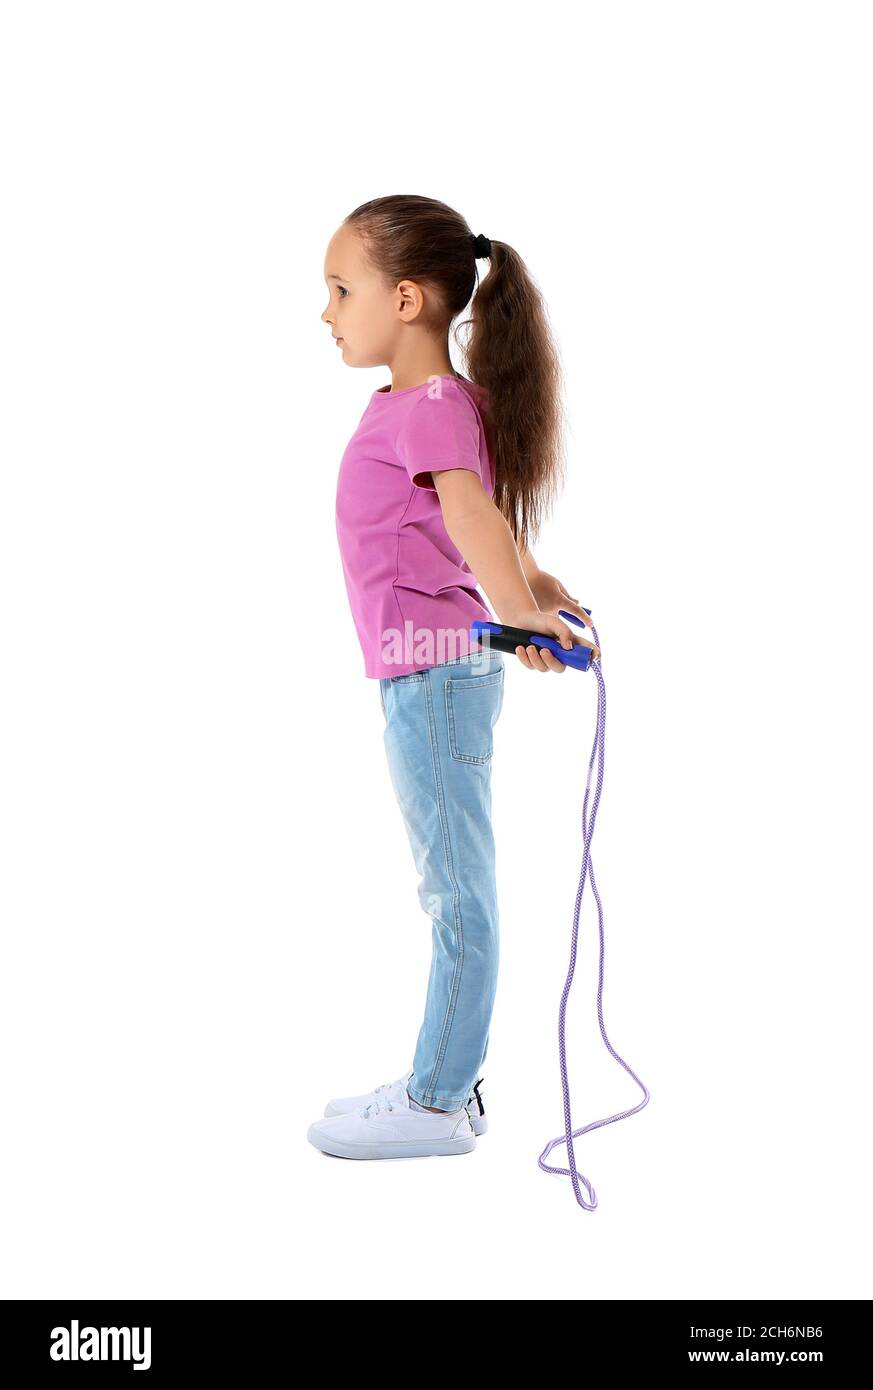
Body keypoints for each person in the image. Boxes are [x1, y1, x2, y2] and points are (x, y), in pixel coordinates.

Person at [307, 194, 599, 1161]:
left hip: (433, 676)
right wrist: (540, 588)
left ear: (405, 299)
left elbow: (474, 522)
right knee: (454, 888)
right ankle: (443, 1081)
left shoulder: (430, 406)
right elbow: (473, 528)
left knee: (455, 895)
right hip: (432, 671)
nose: (326, 311)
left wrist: (523, 613)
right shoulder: (423, 405)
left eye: (339, 290)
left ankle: (437, 1103)